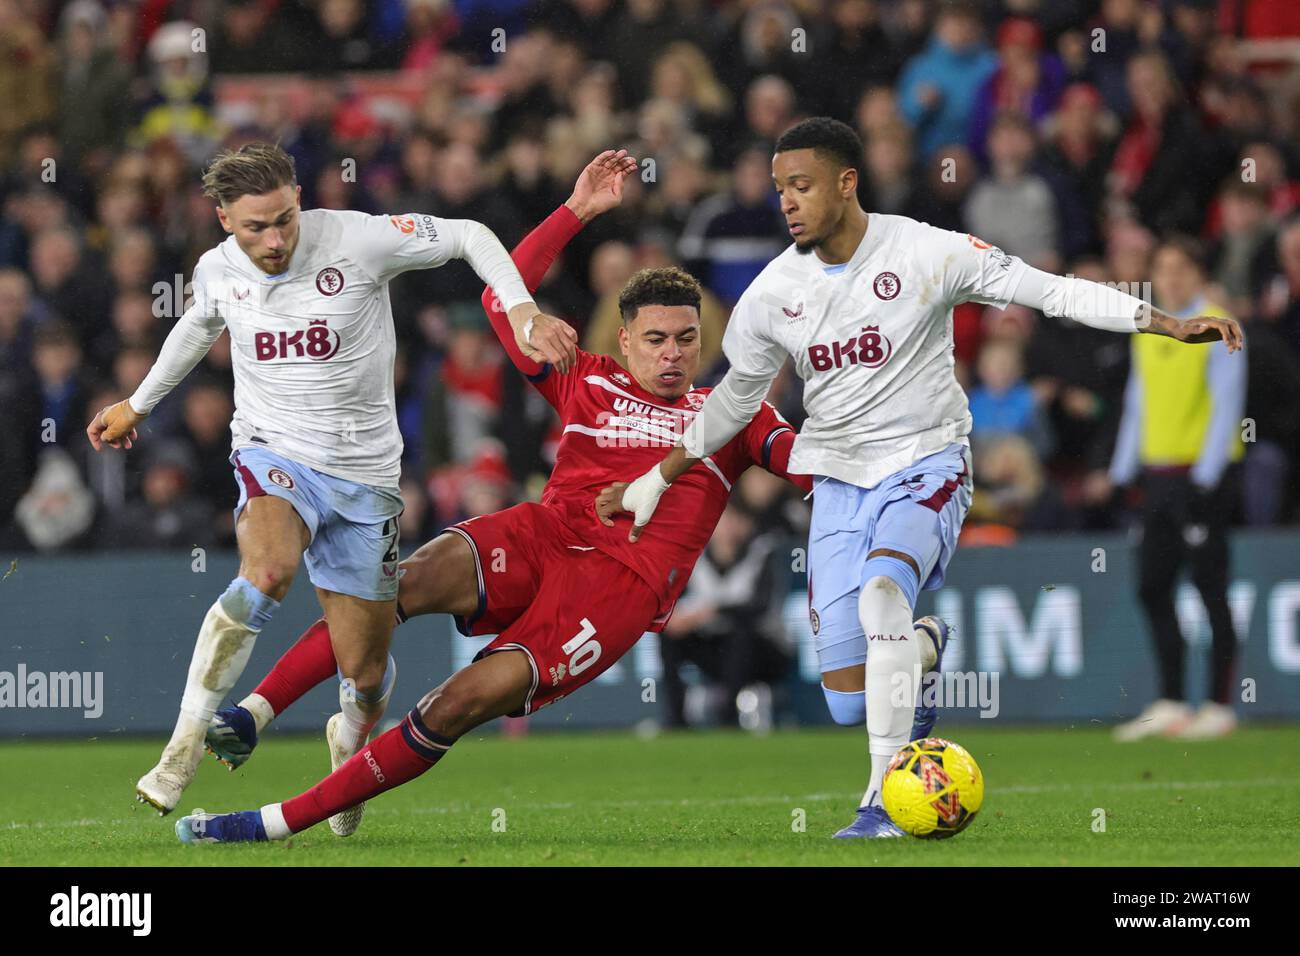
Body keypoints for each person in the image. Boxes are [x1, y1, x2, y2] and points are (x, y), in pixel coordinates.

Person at [171, 151, 935, 846]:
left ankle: (272, 824)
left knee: (455, 704)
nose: (673, 355)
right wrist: (576, 211)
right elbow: (506, 295)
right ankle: (254, 714)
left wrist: (891, 439)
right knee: (396, 587)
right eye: (658, 339)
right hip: (541, 531)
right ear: (624, 337)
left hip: (614, 590)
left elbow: (817, 469)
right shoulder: (584, 373)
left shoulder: (730, 416)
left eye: (687, 340)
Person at [599, 117, 1244, 838]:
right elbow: (731, 405)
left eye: (802, 186)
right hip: (838, 485)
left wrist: (1168, 322)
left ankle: (877, 803)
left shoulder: (927, 251)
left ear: (847, 183)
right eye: (781, 188)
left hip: (927, 462)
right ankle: (926, 643)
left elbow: (1050, 291)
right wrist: (657, 478)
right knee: (850, 697)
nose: (786, 202)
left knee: (882, 596)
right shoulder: (771, 295)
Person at [85, 142, 571, 820]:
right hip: (271, 450)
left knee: (365, 673)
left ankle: (349, 734)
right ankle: (184, 746)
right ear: (223, 218)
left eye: (286, 217)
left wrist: (520, 307)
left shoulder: (358, 239)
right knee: (268, 570)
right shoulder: (217, 270)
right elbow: (198, 326)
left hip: (365, 476)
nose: (277, 238)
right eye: (257, 226)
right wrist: (136, 404)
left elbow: (467, 235)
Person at [1103, 236, 1246, 741]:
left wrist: (1206, 480)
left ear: (1198, 273)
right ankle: (1170, 701)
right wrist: (1121, 475)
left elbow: (1227, 404)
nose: (1171, 278)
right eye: (1162, 269)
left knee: (1210, 588)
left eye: (1181, 268)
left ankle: (1220, 705)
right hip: (1158, 478)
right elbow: (1137, 404)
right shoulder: (1149, 329)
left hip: (1202, 477)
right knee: (1153, 587)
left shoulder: (1218, 325)